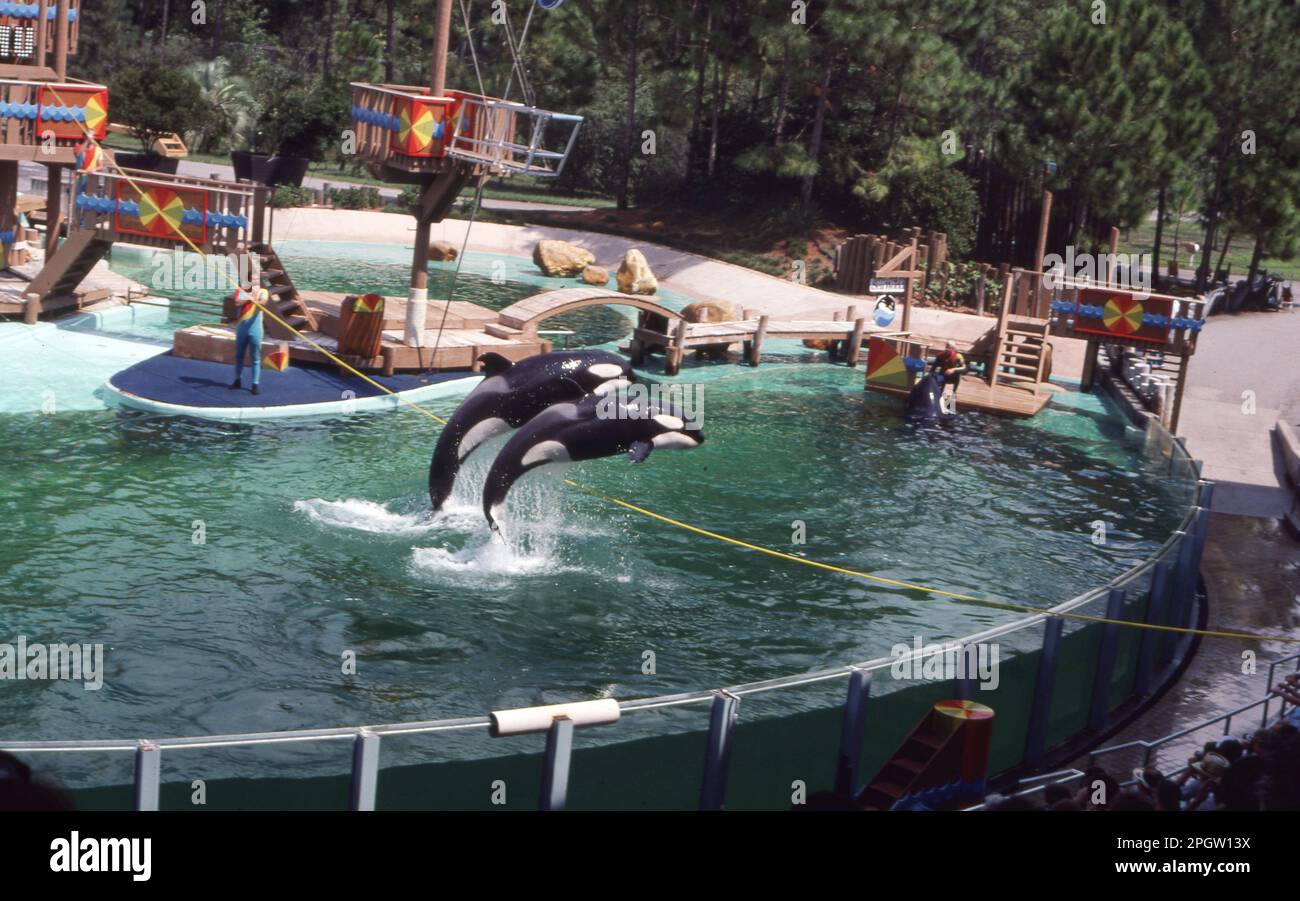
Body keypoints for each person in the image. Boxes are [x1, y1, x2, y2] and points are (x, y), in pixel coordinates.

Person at [230, 279, 269, 394]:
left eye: (256, 281)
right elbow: (237, 303)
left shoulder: (263, 291)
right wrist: (249, 298)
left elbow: (264, 302)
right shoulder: (240, 291)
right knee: (239, 356)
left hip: (255, 330)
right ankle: (237, 380)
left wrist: (256, 299)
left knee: (255, 357)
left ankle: (255, 384)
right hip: (242, 329)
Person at [932, 341, 966, 414]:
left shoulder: (958, 356)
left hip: (953, 377)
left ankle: (951, 396)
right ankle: (938, 395)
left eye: (949, 348)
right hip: (942, 376)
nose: (947, 349)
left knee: (957, 375)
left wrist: (953, 369)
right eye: (946, 347)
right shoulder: (940, 355)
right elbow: (933, 368)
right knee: (937, 379)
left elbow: (964, 368)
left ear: (953, 349)